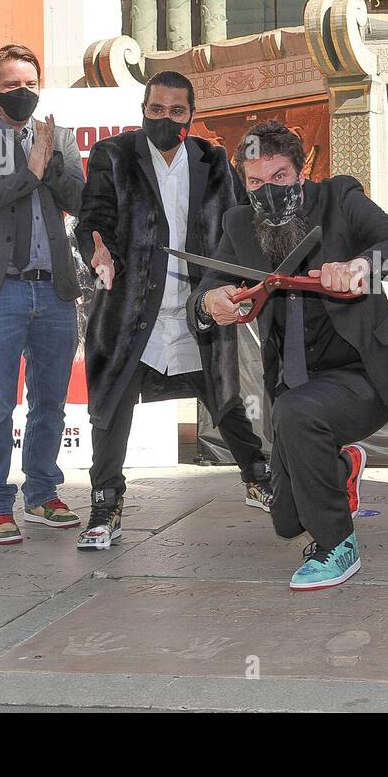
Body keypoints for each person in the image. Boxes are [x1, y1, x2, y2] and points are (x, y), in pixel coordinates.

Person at [194, 120, 388, 590]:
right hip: (294, 385)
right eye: (256, 182)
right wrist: (210, 303)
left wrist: (363, 264)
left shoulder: (340, 200)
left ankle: (337, 545)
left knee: (297, 412)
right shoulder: (239, 223)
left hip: (364, 373)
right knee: (286, 521)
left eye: (280, 177)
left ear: (301, 171)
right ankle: (341, 467)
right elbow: (207, 287)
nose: (268, 191)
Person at [74, 71, 269, 550]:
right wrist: (96, 251)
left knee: (224, 400)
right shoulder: (114, 155)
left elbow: (237, 220)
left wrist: (248, 276)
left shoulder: (213, 159)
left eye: (176, 112)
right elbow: (93, 220)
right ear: (144, 110)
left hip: (199, 309)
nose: (165, 119)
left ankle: (260, 480)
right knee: (112, 408)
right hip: (131, 309)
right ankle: (106, 504)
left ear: (191, 115)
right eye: (156, 110)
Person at [0, 44, 86, 544]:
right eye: (11, 85)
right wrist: (30, 170)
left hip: (53, 291)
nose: (23, 93)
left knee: (50, 402)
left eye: (31, 84)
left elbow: (79, 200)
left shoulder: (58, 136)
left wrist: (51, 161)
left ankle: (43, 494)